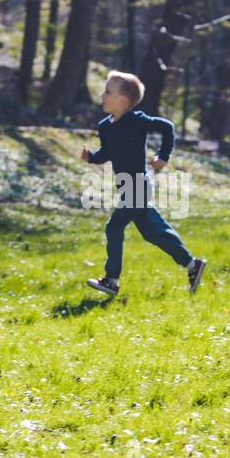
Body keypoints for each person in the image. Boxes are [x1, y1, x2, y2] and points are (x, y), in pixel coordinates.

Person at [80, 70, 207, 296]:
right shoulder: (105, 126)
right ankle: (192, 265)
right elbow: (107, 152)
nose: (102, 95)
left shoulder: (137, 121)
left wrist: (163, 157)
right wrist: (91, 157)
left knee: (114, 226)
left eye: (108, 92)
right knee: (153, 232)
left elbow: (167, 127)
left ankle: (111, 280)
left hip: (138, 185)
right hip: (125, 186)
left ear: (123, 100)